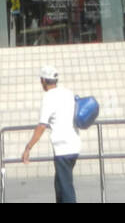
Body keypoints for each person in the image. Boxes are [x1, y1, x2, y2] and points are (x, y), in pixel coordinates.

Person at [21, 65, 80, 203]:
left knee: (66, 189)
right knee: (60, 185)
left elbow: (42, 126)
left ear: (43, 80)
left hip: (63, 148)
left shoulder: (48, 97)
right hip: (75, 144)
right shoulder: (68, 93)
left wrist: (28, 148)